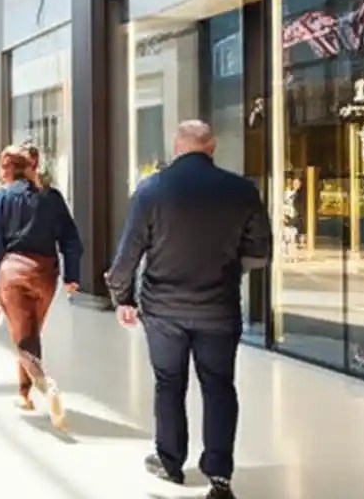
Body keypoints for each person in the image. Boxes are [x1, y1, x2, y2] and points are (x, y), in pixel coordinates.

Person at [106, 121, 270, 499]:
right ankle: (220, 477)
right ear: (211, 148)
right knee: (218, 387)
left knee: (169, 383)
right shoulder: (242, 191)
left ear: (176, 148)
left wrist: (122, 297)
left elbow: (128, 254)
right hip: (219, 310)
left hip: (163, 312)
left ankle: (170, 461)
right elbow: (259, 254)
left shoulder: (151, 190)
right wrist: (228, 270)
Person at [0, 146, 82, 429]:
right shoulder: (52, 198)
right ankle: (24, 394)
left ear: (6, 168)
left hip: (12, 272)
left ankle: (45, 386)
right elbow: (71, 238)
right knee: (29, 332)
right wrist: (73, 274)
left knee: (22, 337)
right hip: (46, 273)